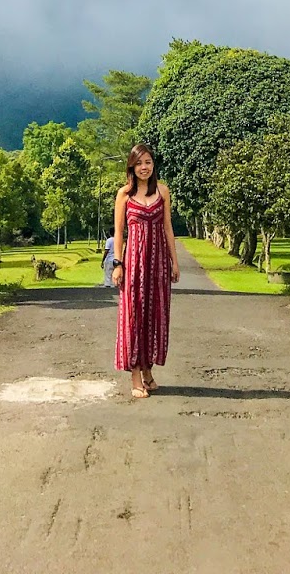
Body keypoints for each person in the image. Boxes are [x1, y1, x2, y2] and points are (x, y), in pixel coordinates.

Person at [113, 143, 180, 397]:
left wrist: (174, 261)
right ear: (132, 166)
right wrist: (117, 264)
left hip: (158, 263)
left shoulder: (163, 192)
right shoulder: (124, 195)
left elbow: (168, 228)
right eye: (139, 163)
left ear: (154, 165)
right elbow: (119, 232)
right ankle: (135, 377)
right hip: (133, 263)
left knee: (155, 316)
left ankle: (148, 370)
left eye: (148, 162)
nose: (144, 167)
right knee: (134, 316)